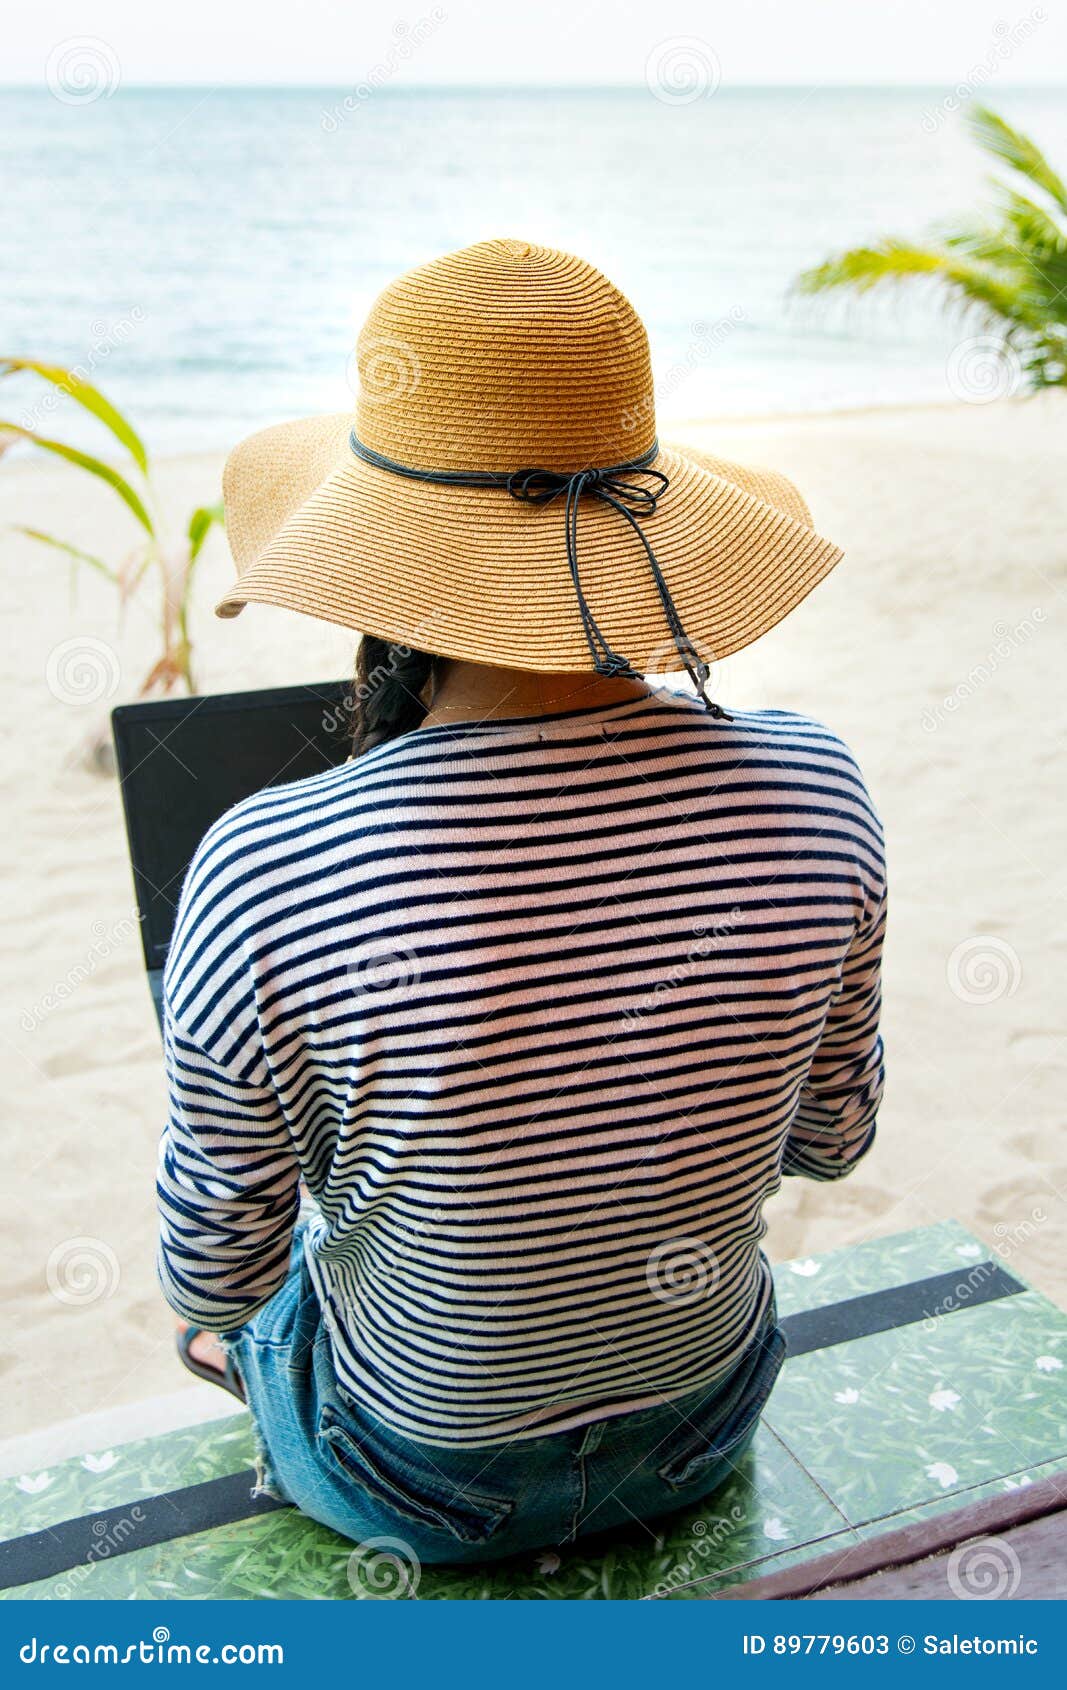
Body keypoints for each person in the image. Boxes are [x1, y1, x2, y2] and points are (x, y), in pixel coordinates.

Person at [159, 239, 885, 1564]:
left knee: (237, 1320)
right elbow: (834, 1141)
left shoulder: (264, 862)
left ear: (381, 560)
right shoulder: (816, 784)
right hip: (704, 1420)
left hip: (415, 1472)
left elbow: (224, 1270)